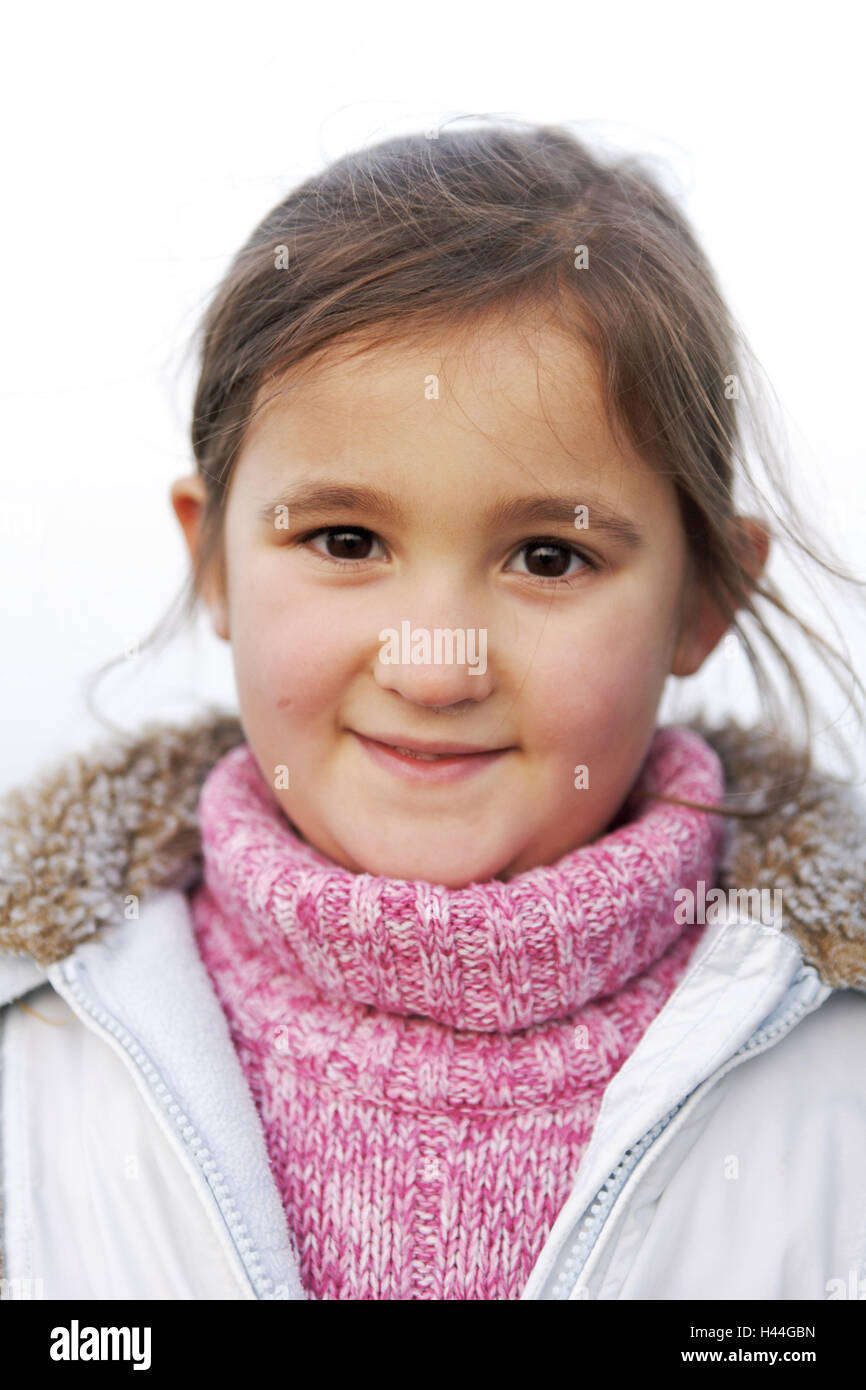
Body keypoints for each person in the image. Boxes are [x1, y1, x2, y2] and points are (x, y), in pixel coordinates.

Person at [1, 120, 865, 1303]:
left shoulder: (836, 1076)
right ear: (211, 564)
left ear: (700, 597)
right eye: (345, 540)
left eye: (548, 558)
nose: (434, 665)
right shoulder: (32, 1051)